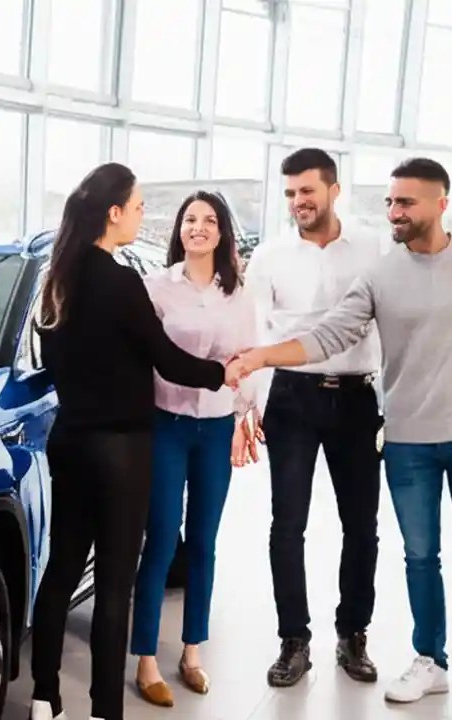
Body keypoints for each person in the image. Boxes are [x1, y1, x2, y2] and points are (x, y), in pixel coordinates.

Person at [228, 157, 452, 720]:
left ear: (442, 203)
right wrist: (261, 362)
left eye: (406, 202)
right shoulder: (381, 272)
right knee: (419, 556)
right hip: (406, 437)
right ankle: (428, 661)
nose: (395, 211)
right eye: (391, 202)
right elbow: (330, 333)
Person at [29, 163, 238, 720]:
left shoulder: (57, 279)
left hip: (68, 440)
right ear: (113, 213)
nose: (144, 216)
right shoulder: (121, 281)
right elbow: (165, 359)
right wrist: (224, 374)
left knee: (61, 569)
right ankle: (103, 710)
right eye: (139, 206)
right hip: (121, 448)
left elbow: (53, 364)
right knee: (116, 582)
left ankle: (45, 700)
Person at [241, 148, 387, 687]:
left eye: (306, 191)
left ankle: (353, 635)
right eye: (290, 194)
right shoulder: (272, 256)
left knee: (362, 527)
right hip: (292, 400)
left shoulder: (373, 247)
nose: (298, 202)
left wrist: (392, 401)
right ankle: (293, 640)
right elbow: (257, 334)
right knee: (288, 525)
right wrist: (248, 406)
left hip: (356, 399)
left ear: (333, 190)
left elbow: (393, 323)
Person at [129, 191, 262, 708]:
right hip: (167, 424)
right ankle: (145, 659)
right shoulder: (157, 287)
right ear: (179, 230)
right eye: (190, 219)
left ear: (223, 231)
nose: (198, 227)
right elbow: (143, 356)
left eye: (209, 220)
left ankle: (191, 652)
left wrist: (242, 416)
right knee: (161, 538)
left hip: (215, 428)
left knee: (203, 541)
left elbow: (248, 359)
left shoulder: (240, 294)